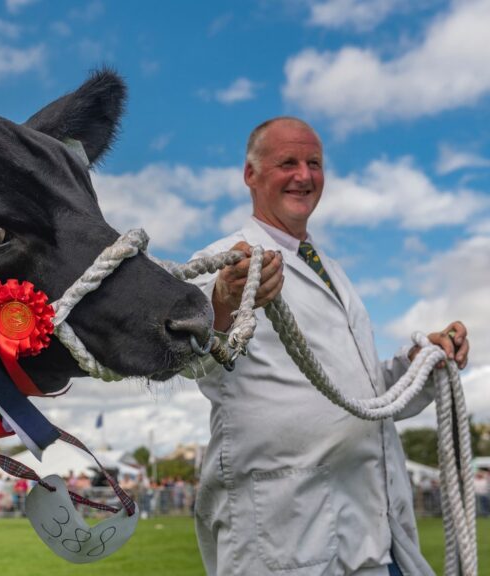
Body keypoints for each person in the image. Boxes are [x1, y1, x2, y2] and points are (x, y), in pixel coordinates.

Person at [189, 117, 470, 576]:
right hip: (288, 526)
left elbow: (364, 396)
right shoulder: (221, 260)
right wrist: (221, 300)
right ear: (250, 175)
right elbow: (189, 358)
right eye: (288, 163)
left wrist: (419, 366)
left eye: (314, 163)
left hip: (374, 529)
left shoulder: (333, 271)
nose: (304, 175)